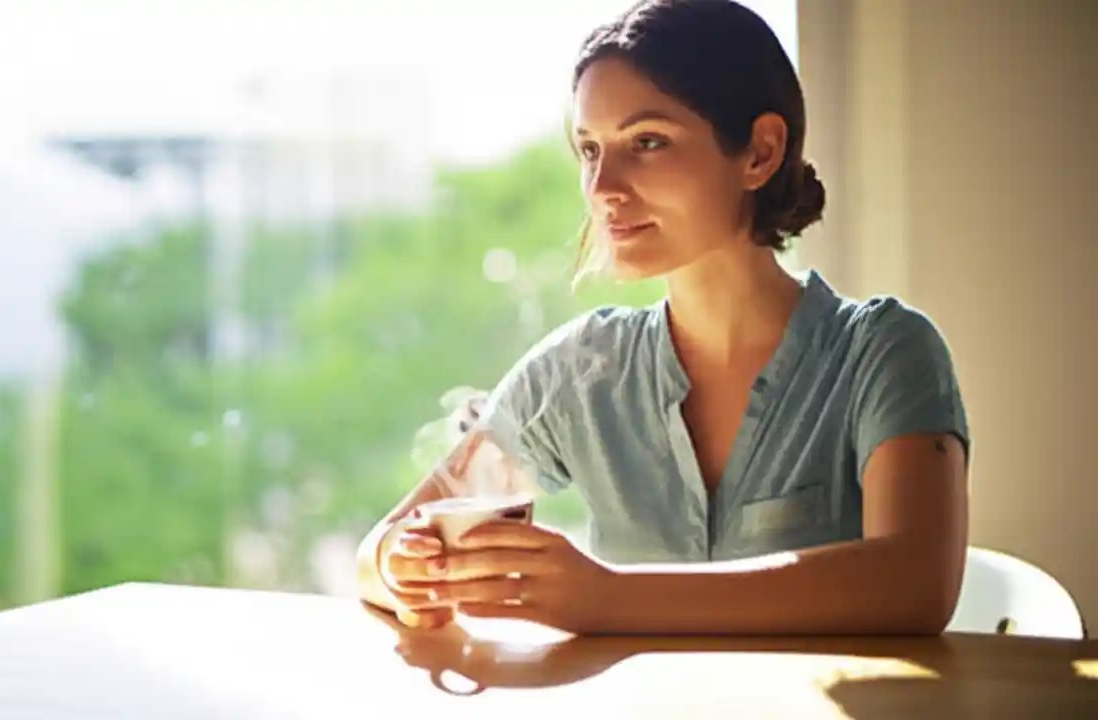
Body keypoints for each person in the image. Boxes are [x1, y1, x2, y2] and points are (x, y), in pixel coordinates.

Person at [356, 0, 970, 636]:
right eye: (590, 149)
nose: (601, 187)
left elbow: (914, 583)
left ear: (761, 152)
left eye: (646, 142)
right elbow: (379, 551)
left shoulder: (885, 352)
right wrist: (405, 569)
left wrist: (609, 597)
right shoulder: (583, 370)